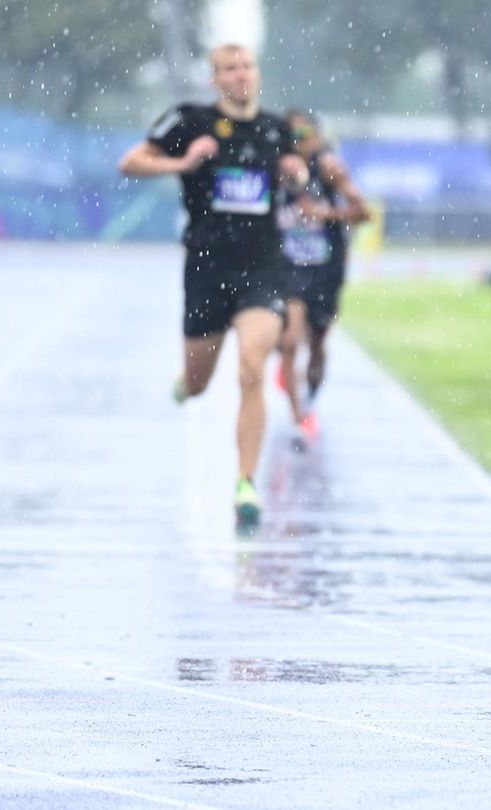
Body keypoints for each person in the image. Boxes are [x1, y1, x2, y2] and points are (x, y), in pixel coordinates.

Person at [119, 43, 318, 528]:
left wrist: (297, 175)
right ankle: (187, 383)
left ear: (257, 74)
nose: (240, 75)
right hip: (207, 268)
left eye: (247, 66)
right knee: (199, 382)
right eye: (230, 69)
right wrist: (183, 163)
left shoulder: (276, 129)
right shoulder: (190, 121)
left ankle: (246, 483)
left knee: (252, 366)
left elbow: (299, 177)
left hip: (262, 267)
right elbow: (131, 162)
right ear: (215, 79)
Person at [274, 109, 371, 444]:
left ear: (316, 139)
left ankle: (310, 391)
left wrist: (324, 213)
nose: (296, 143)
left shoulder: (329, 169)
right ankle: (298, 415)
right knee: (289, 342)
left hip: (325, 269)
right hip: (288, 269)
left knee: (316, 345)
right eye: (290, 137)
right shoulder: (274, 169)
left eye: (303, 136)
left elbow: (364, 213)